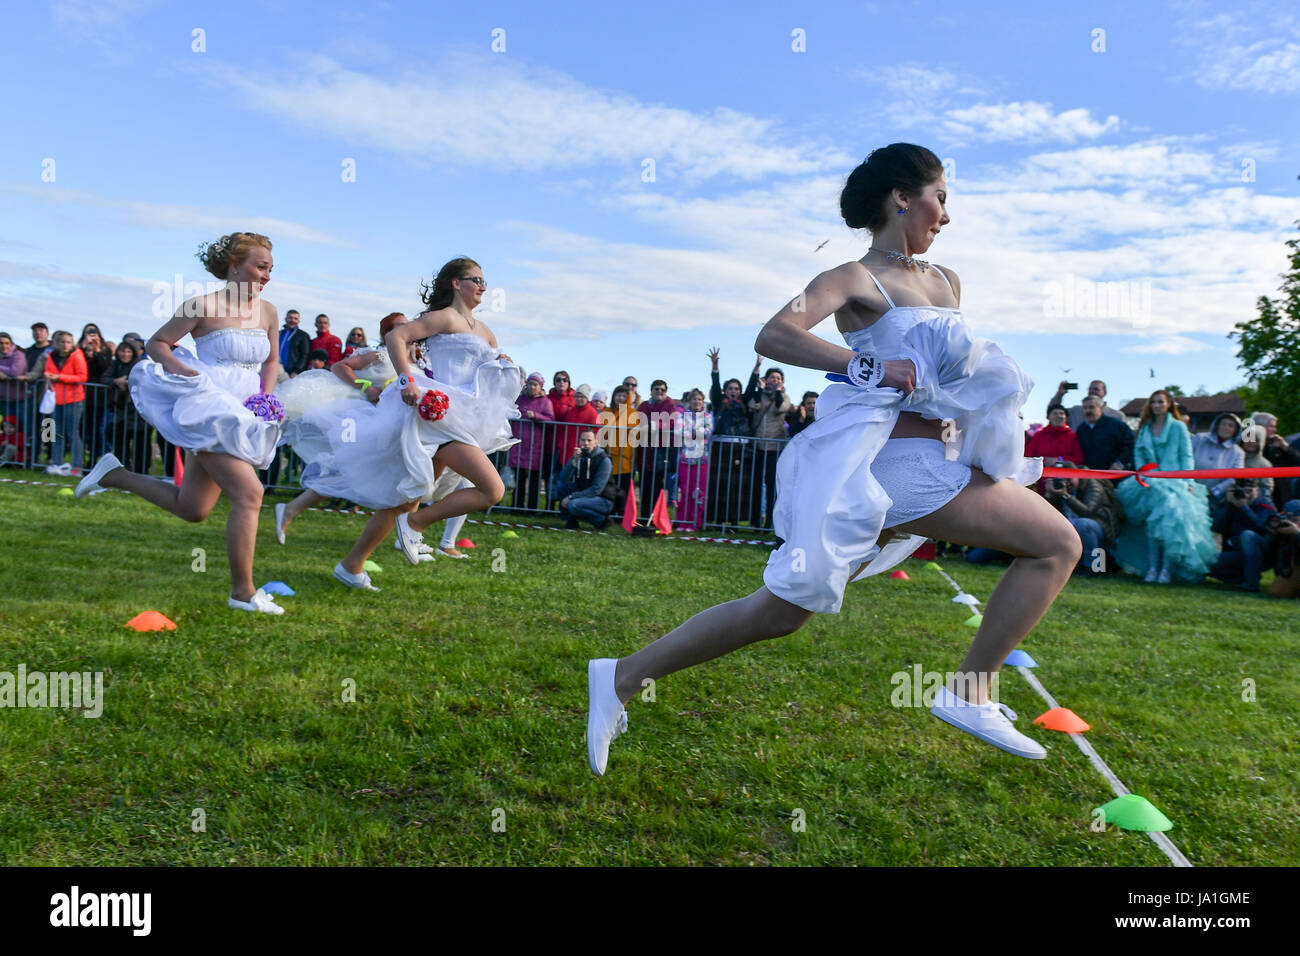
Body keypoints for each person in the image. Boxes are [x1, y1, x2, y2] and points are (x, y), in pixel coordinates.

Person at [587, 143, 1072, 776]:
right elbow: (774, 335)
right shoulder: (853, 278)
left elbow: (944, 373)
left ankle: (622, 676)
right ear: (903, 197)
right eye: (941, 199)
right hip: (900, 468)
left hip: (935, 460)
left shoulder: (948, 282)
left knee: (781, 610)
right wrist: (864, 363)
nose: (946, 216)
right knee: (1057, 545)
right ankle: (969, 689)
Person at [74, 231, 285, 614]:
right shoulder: (200, 305)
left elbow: (271, 360)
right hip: (209, 408)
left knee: (194, 509)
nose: (266, 275)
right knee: (250, 494)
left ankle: (114, 475)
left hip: (248, 410)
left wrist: (265, 397)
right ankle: (243, 593)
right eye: (260, 266)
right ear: (234, 266)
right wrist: (181, 369)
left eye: (270, 269)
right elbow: (157, 344)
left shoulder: (269, 311)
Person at [281, 258, 520, 587]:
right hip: (438, 415)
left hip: (465, 417)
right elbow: (396, 337)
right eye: (475, 279)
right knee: (491, 489)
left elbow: (485, 368)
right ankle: (416, 524)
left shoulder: (486, 331)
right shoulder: (445, 317)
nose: (482, 286)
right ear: (455, 283)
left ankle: (351, 566)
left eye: (484, 281)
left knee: (405, 498)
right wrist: (408, 381)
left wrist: (501, 361)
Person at [1113, 389, 1217, 583]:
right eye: (1154, 402)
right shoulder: (1144, 428)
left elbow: (1186, 456)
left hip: (1175, 481)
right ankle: (1152, 568)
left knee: (1170, 526)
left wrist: (1187, 481)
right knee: (1151, 526)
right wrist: (1144, 477)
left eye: (1161, 402)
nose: (1157, 406)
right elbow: (1139, 456)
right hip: (1149, 480)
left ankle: (1167, 570)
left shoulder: (1178, 427)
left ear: (1169, 404)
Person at [1041, 461, 1124, 575]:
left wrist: (1066, 496)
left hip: (1101, 526)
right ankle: (1057, 566)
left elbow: (1088, 511)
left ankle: (1094, 567)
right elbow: (1049, 515)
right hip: (1073, 525)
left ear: (1077, 475)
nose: (1065, 483)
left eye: (1068, 478)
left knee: (1083, 524)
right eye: (1061, 479)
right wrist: (1049, 495)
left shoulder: (1092, 483)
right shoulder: (1058, 488)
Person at [706, 348, 757, 526]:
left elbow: (752, 386)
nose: (733, 391)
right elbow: (715, 383)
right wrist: (715, 366)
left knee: (738, 485)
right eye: (730, 388)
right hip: (722, 448)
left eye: (736, 389)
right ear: (725, 391)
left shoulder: (743, 403)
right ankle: (718, 519)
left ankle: (734, 521)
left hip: (740, 448)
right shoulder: (720, 403)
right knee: (719, 484)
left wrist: (757, 366)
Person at [1206, 480, 1276, 592]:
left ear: (1257, 491)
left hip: (1263, 554)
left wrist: (1244, 508)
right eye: (1242, 487)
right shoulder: (1232, 503)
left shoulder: (1265, 505)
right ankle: (1240, 577)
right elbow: (1217, 527)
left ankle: (1251, 584)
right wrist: (1229, 505)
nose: (1245, 491)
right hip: (1239, 553)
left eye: (1250, 487)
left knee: (1247, 535)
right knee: (1207, 565)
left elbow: (1263, 528)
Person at [746, 365, 791, 528]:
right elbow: (753, 406)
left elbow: (781, 408)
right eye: (772, 377)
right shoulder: (761, 395)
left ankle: (770, 523)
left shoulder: (785, 397)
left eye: (778, 378)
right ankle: (755, 522)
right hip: (758, 446)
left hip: (775, 448)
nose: (775, 380)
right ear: (766, 379)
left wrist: (778, 392)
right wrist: (760, 390)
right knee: (756, 484)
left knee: (772, 485)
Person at [43, 330, 88, 475]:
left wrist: (59, 377)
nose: (65, 345)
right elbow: (47, 371)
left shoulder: (77, 355)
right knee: (56, 433)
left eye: (68, 342)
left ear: (72, 343)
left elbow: (82, 377)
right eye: (62, 342)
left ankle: (77, 467)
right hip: (57, 399)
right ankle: (57, 464)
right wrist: (48, 376)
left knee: (72, 432)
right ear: (56, 343)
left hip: (74, 399)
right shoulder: (52, 356)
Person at [508, 372, 555, 511]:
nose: (532, 387)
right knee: (519, 477)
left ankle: (532, 507)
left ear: (540, 387)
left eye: (535, 384)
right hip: (518, 444)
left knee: (534, 478)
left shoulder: (545, 402)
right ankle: (516, 505)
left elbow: (551, 421)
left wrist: (536, 416)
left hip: (535, 446)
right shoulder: (520, 399)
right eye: (530, 384)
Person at [102, 339, 151, 473]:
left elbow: (145, 381)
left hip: (138, 412)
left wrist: (129, 383)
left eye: (129, 351)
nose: (125, 354)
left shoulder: (141, 365)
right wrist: (115, 381)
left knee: (141, 443)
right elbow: (104, 378)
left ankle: (141, 471)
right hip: (120, 410)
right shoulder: (115, 365)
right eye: (123, 351)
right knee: (120, 442)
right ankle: (122, 471)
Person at [552, 428, 614, 529]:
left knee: (573, 505)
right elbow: (563, 479)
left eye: (589, 440)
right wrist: (573, 464)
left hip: (603, 499)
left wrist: (571, 497)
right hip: (585, 493)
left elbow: (596, 490)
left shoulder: (604, 460)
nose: (585, 443)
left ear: (595, 442)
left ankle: (602, 521)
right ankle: (571, 521)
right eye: (583, 440)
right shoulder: (578, 456)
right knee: (559, 487)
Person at [637, 379, 680, 516]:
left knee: (657, 486)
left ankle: (656, 517)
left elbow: (672, 423)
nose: (659, 391)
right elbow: (641, 421)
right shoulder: (644, 405)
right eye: (656, 389)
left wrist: (655, 425)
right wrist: (658, 423)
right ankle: (644, 517)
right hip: (646, 449)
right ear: (651, 390)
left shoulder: (670, 405)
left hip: (662, 450)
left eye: (662, 389)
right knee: (645, 485)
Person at [675, 388, 713, 530]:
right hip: (685, 459)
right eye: (694, 399)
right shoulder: (681, 416)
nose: (697, 402)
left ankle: (695, 522)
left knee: (698, 492)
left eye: (699, 399)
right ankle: (682, 522)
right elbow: (679, 432)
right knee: (684, 491)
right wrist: (697, 432)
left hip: (702, 459)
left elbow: (707, 432)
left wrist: (691, 432)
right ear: (689, 401)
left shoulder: (707, 416)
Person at [78, 323, 115, 465]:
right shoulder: (79, 350)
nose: (91, 337)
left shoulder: (105, 351)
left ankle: (93, 459)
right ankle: (85, 454)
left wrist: (97, 350)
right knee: (82, 428)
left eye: (94, 333)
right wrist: (84, 347)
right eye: (88, 333)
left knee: (95, 430)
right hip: (82, 396)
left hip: (98, 398)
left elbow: (105, 368)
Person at [1193, 412, 1244, 511]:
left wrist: (1213, 491)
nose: (1226, 428)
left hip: (1213, 497)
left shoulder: (1238, 453)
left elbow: (1233, 478)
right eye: (1223, 424)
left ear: (1235, 430)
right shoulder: (1199, 438)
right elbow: (1187, 459)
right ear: (1217, 425)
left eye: (1231, 426)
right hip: (1190, 490)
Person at [1075, 394, 1134, 473]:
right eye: (1085, 408)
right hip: (1090, 475)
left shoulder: (1117, 426)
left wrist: (1120, 462)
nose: (1088, 411)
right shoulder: (1081, 429)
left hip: (1114, 474)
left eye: (1091, 407)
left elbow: (1130, 446)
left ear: (1101, 408)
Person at [1045, 379, 1125, 430]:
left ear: (1104, 392)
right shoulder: (1075, 411)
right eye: (1090, 389)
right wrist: (1059, 394)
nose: (1092, 391)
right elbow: (1051, 411)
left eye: (1096, 389)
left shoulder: (1117, 416)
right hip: (1077, 455)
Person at [1238, 423, 1274, 504]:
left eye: (1255, 440)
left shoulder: (1264, 464)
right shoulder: (1234, 458)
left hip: (1256, 503)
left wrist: (1253, 495)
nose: (1250, 442)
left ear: (1261, 443)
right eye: (1247, 438)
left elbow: (1267, 488)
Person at [0, 332, 28, 419]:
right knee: (8, 428)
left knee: (24, 427)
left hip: (20, 399)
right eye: (1, 343)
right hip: (4, 399)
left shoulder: (18, 354)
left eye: (6, 343)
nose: (4, 346)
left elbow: (16, 372)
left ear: (11, 343)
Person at [279, 310, 312, 376]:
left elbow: (305, 355)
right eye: (290, 318)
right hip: (276, 369)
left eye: (295, 318)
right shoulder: (279, 333)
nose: (292, 320)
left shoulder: (303, 335)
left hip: (292, 372)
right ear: (286, 319)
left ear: (298, 321)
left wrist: (297, 371)